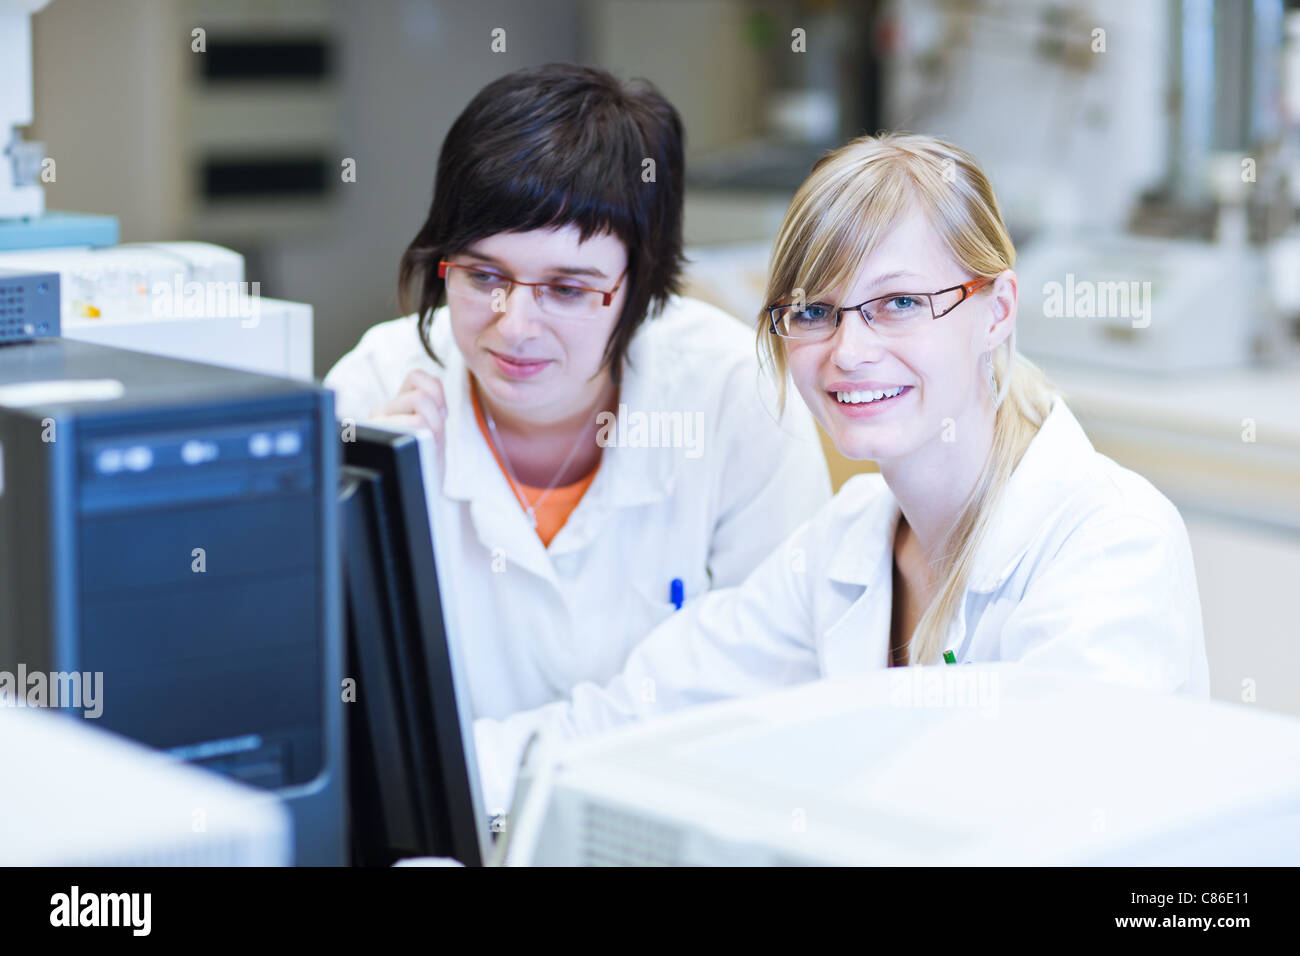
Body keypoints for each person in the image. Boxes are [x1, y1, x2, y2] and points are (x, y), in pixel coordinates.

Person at [473, 132, 1211, 814]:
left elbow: (1042, 829)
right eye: (816, 311)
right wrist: (416, 784)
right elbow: (635, 717)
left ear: (998, 310)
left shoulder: (1108, 543)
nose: (849, 351)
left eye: (897, 303)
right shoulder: (848, 543)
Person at [323, 63, 830, 724]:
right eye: (482, 275)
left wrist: (507, 764)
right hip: (438, 831)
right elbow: (306, 689)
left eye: (566, 290)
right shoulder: (372, 393)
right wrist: (363, 517)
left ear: (642, 287)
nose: (515, 325)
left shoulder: (735, 397)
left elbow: (777, 684)